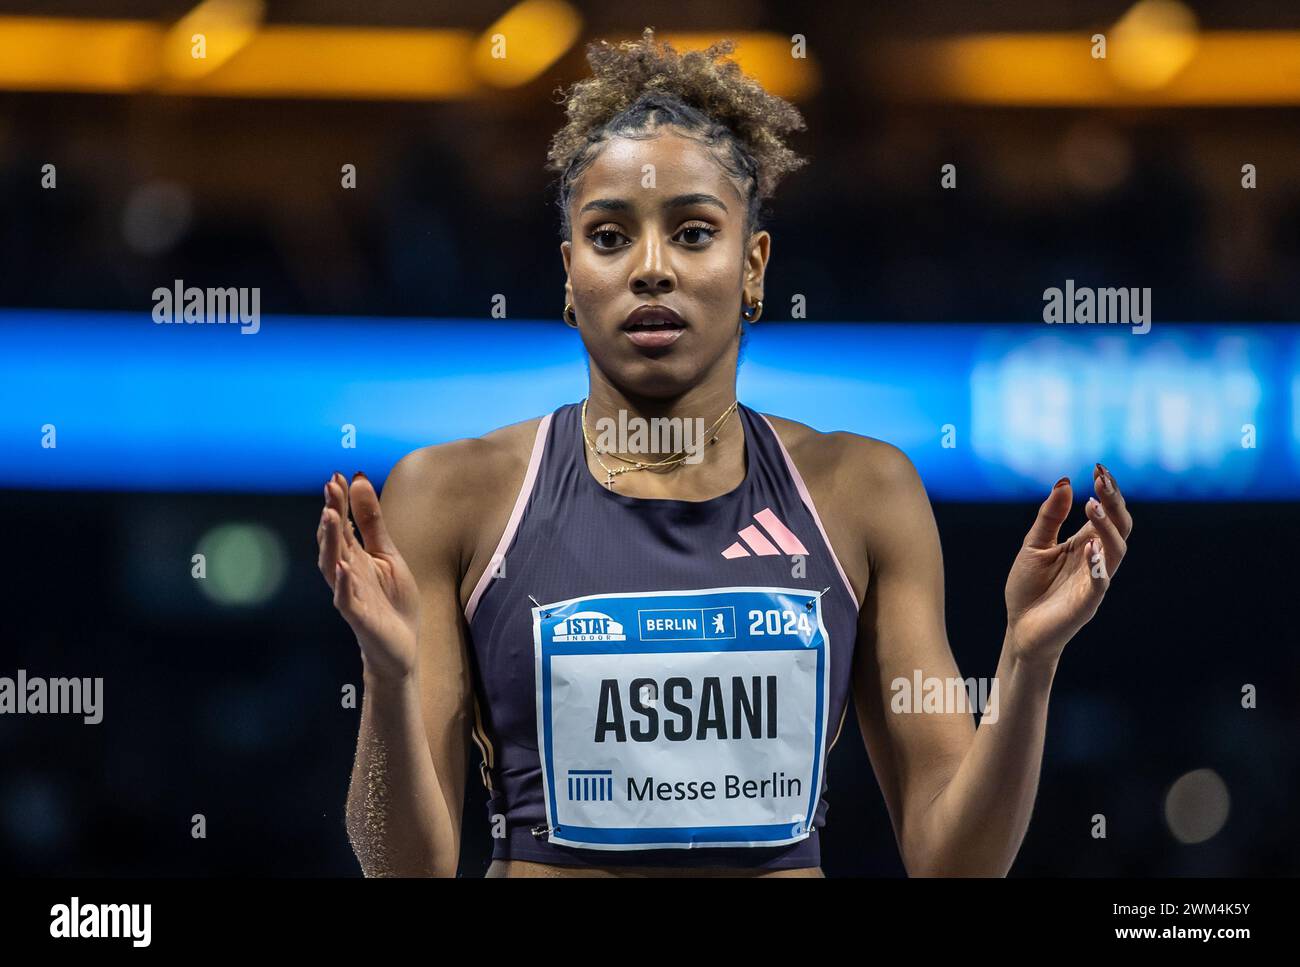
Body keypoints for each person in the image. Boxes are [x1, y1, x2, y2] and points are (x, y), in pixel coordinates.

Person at [315, 28, 1133, 878]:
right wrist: (385, 673)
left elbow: (955, 861)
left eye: (695, 232)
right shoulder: (453, 495)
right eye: (608, 236)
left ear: (754, 264)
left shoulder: (863, 490)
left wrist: (1028, 660)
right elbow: (398, 867)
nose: (651, 269)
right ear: (568, 275)